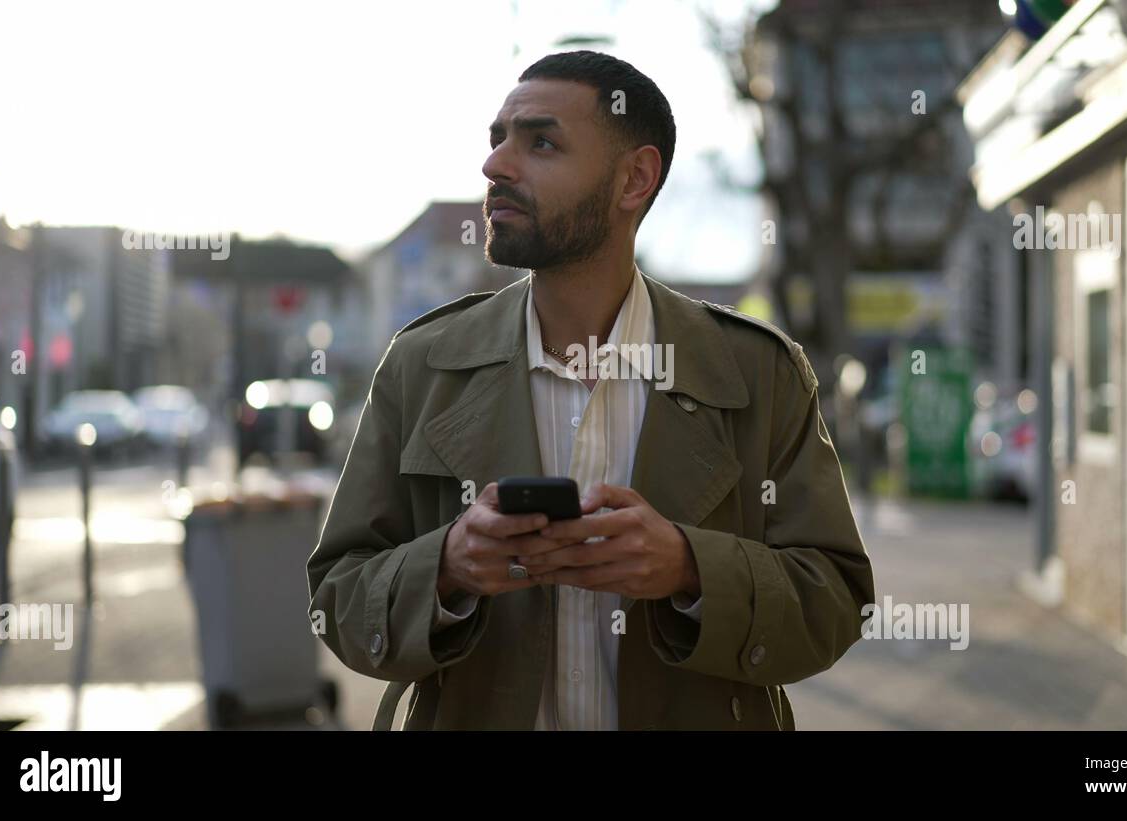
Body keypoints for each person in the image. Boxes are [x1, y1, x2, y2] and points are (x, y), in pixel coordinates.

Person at [306, 50, 875, 730]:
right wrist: (449, 565)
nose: (497, 165)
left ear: (633, 178)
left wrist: (689, 568)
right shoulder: (422, 365)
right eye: (497, 140)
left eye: (540, 141)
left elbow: (836, 599)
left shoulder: (758, 372)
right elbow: (337, 597)